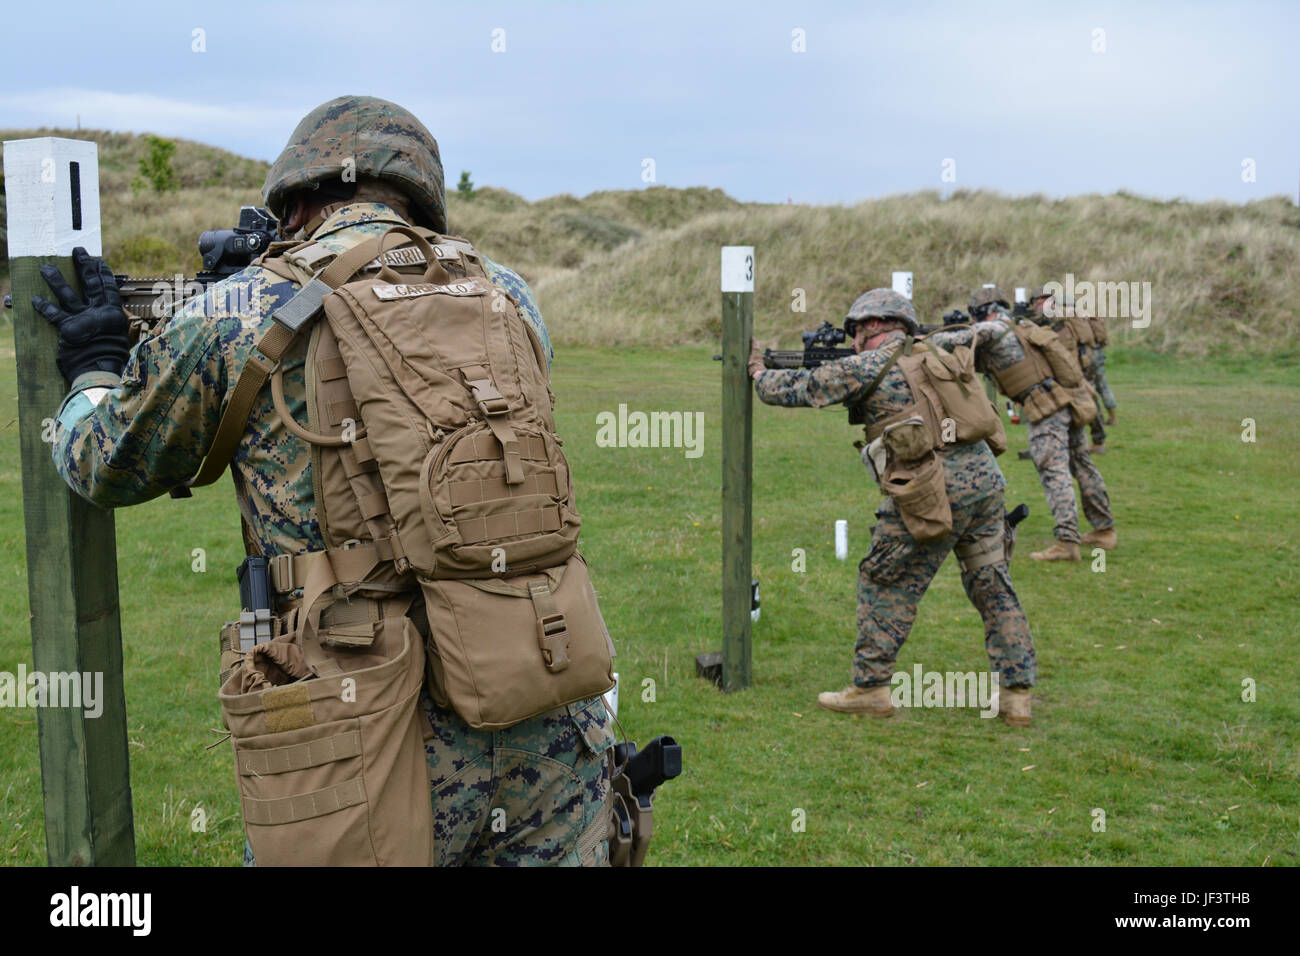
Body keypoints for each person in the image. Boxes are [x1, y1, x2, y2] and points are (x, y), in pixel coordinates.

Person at [34, 95, 613, 866]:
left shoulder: (241, 310)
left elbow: (101, 462)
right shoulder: (508, 295)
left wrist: (93, 368)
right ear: (419, 200)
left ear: (296, 201)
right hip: (544, 697)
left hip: (357, 727)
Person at [749, 288, 1038, 726]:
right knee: (992, 584)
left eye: (857, 332)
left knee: (886, 582)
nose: (854, 340)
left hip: (931, 494)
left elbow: (800, 388)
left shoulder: (869, 364)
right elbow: (994, 330)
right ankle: (1016, 695)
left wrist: (756, 372)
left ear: (872, 327)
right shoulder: (937, 350)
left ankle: (870, 688)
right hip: (986, 488)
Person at [1012, 286, 1116, 560]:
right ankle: (1104, 529)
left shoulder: (1055, 325)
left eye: (1038, 303)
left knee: (1054, 467)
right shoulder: (1075, 322)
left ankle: (1067, 540)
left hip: (1056, 400)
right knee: (1081, 463)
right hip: (1077, 397)